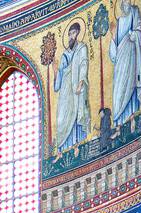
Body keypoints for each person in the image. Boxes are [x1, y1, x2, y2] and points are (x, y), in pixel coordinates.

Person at [53, 21, 90, 152]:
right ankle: (64, 148)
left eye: (73, 33)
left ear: (78, 33)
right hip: (65, 89)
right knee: (63, 115)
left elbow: (84, 64)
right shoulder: (64, 54)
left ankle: (76, 145)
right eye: (69, 34)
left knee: (76, 113)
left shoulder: (82, 48)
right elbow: (57, 84)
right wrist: (55, 71)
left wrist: (81, 82)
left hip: (76, 86)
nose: (70, 36)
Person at [108, 0, 141, 127]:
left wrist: (133, 35)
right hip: (120, 62)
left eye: (128, 1)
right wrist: (112, 36)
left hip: (131, 55)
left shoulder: (135, 13)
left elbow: (138, 31)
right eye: (124, 2)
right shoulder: (118, 22)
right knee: (119, 88)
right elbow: (113, 54)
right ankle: (120, 121)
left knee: (131, 82)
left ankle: (132, 115)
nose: (126, 3)